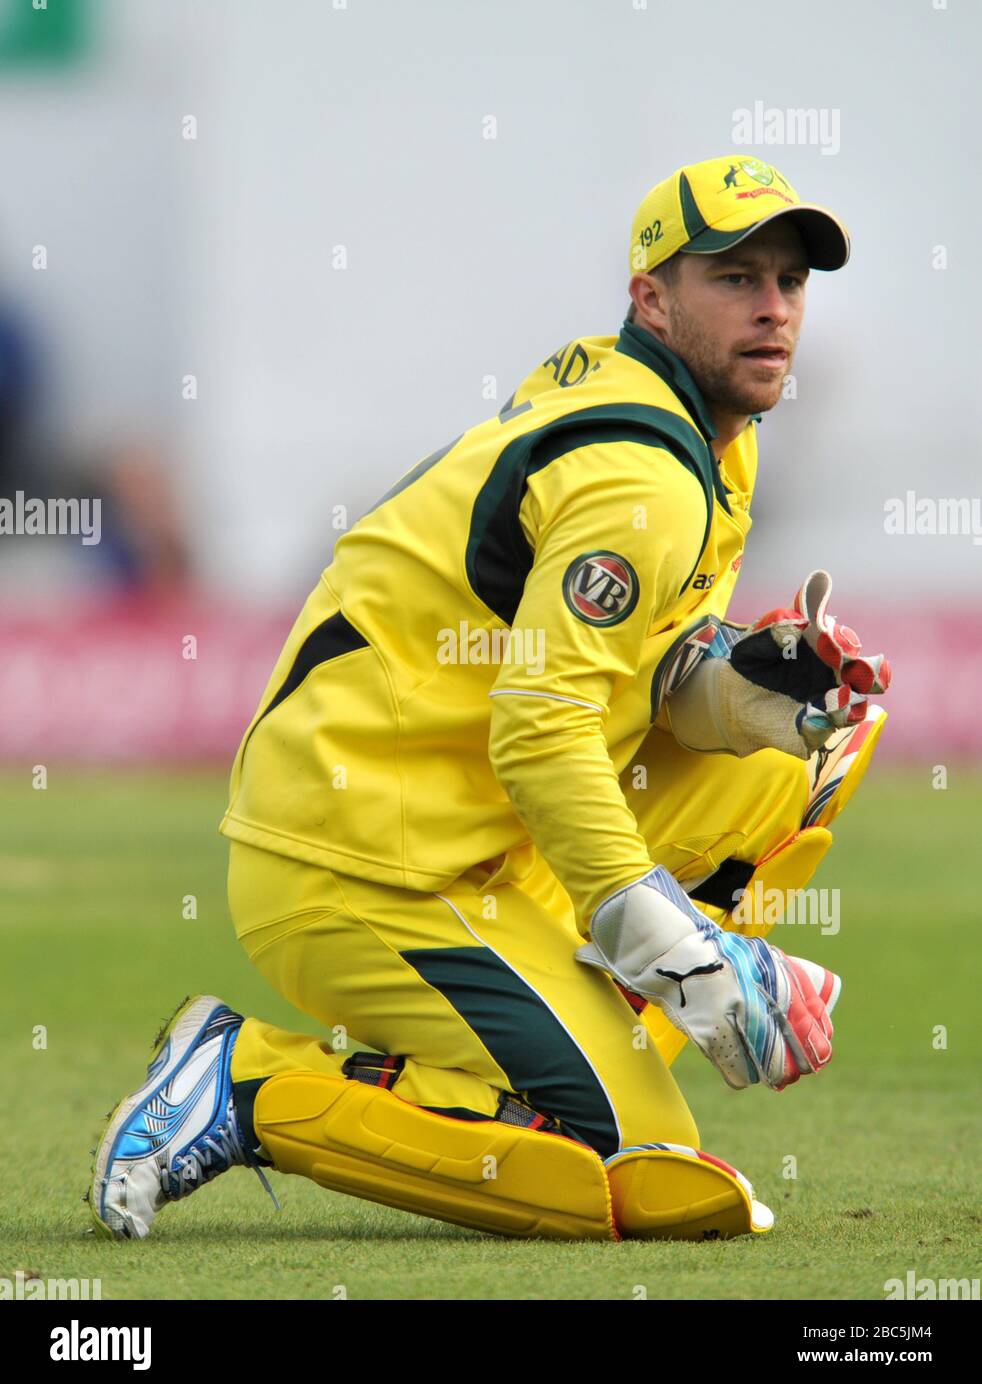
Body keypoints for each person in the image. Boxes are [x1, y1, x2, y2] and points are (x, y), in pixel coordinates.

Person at [89, 154, 890, 1244]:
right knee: (625, 1171)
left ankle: (579, 1013)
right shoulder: (643, 474)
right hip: (360, 860)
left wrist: (742, 687)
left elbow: (622, 671)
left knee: (802, 753)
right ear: (650, 296)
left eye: (789, 282)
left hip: (456, 825)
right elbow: (545, 726)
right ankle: (247, 1082)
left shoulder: (695, 429)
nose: (772, 309)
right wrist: (689, 958)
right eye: (734, 277)